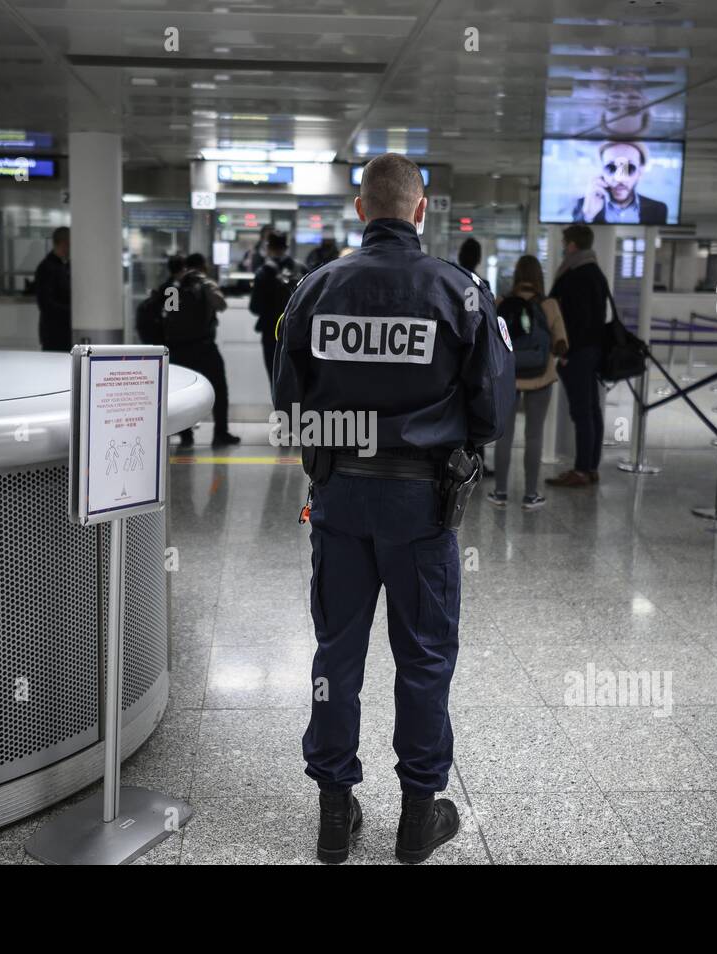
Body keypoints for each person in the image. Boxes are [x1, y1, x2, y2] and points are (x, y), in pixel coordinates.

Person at [273, 152, 514, 864]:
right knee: (424, 658)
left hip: (340, 497)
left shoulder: (314, 290)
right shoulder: (461, 292)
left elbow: (289, 406)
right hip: (422, 505)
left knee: (336, 653)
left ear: (359, 210)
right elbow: (492, 410)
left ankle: (333, 813)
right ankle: (417, 818)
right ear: (420, 209)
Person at [486, 255, 568, 510]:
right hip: (540, 378)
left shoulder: (501, 302)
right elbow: (561, 344)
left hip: (508, 379)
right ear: (538, 277)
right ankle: (531, 495)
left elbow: (491, 342)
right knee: (534, 435)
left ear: (517, 276)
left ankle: (500, 493)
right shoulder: (549, 305)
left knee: (504, 436)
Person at [547, 224, 610, 487]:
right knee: (592, 409)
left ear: (572, 244)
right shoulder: (595, 271)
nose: (563, 247)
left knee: (582, 412)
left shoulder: (575, 275)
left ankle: (582, 470)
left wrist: (566, 353)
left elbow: (570, 316)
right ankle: (591, 466)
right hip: (594, 350)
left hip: (578, 352)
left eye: (564, 242)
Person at [167, 253, 239, 448]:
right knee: (219, 389)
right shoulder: (205, 283)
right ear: (203, 266)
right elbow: (221, 304)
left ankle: (186, 436)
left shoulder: (174, 287)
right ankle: (220, 433)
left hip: (180, 349)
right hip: (204, 346)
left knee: (181, 391)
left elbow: (169, 315)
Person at [571, 141, 667, 225]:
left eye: (629, 168)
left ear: (640, 173)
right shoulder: (583, 205)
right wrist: (588, 216)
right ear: (602, 172)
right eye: (611, 168)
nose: (620, 179)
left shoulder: (658, 209)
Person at [249, 231, 299, 385]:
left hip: (271, 331)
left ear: (269, 247)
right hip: (296, 330)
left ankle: (279, 408)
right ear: (286, 247)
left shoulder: (263, 273)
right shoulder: (299, 269)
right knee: (296, 378)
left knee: (275, 377)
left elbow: (255, 307)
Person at [35, 226, 72, 352]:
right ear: (64, 243)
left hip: (62, 332)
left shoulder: (63, 266)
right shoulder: (47, 268)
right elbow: (46, 304)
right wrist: (73, 311)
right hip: (54, 333)